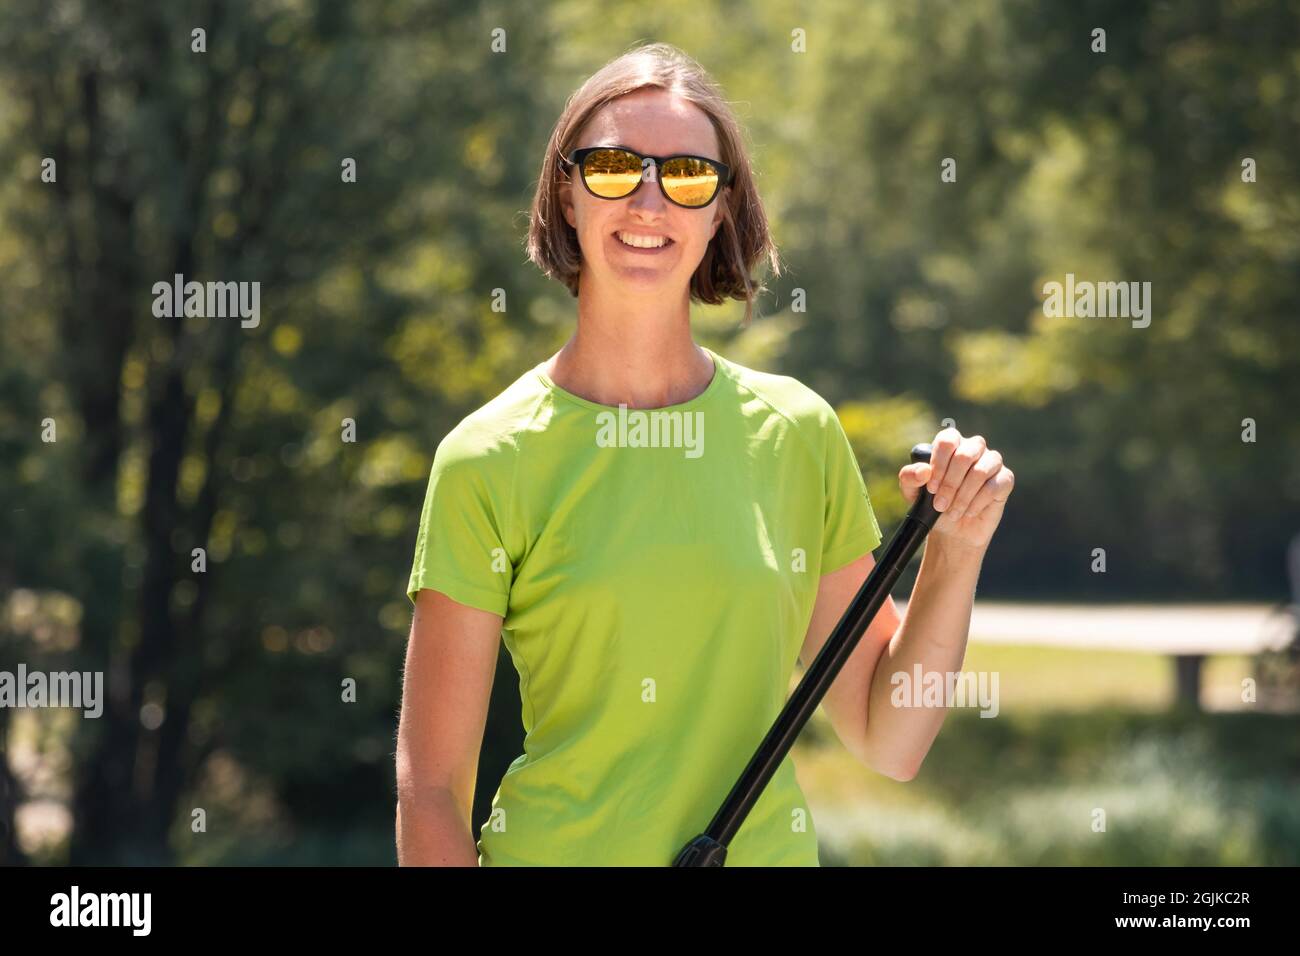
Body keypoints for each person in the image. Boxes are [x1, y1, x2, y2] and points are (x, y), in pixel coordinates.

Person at [395, 42, 1014, 866]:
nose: (650, 200)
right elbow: (430, 788)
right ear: (567, 194)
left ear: (720, 209)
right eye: (615, 167)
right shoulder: (487, 457)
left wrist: (954, 553)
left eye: (686, 174)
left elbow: (888, 738)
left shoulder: (796, 433)